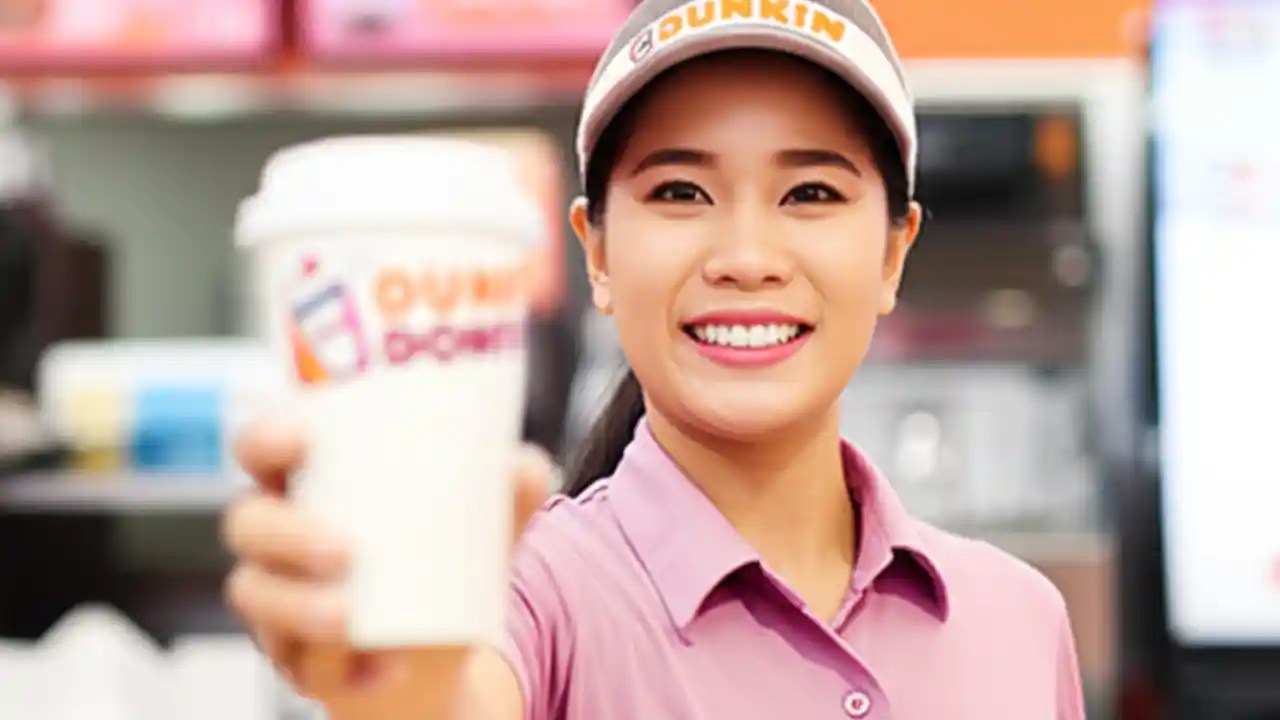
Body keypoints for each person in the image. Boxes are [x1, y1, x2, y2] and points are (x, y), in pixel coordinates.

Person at [221, 0, 1087, 718]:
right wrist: (394, 685)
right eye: (681, 191)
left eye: (810, 192)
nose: (747, 255)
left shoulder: (1019, 620)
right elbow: (451, 691)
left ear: (894, 252)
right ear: (594, 253)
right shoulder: (527, 592)